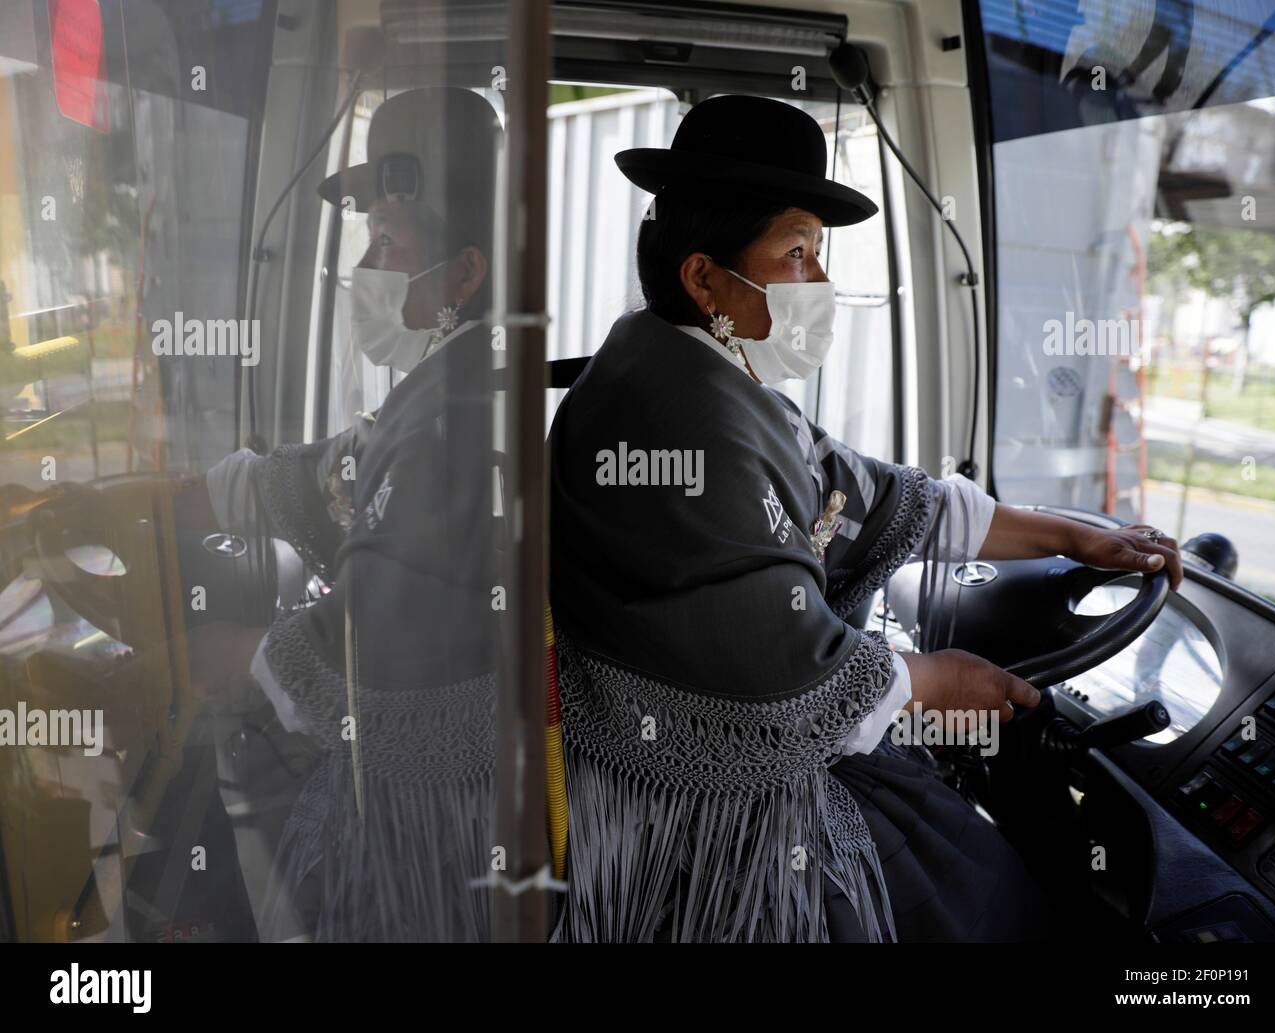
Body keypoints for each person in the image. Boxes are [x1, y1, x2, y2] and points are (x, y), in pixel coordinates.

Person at [546, 94, 1183, 942]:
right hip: (702, 804)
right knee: (969, 894)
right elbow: (782, 678)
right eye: (797, 253)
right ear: (704, 276)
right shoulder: (687, 420)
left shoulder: (693, 369)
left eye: (821, 253)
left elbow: (872, 495)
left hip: (702, 756)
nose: (820, 283)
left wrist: (1073, 535)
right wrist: (935, 681)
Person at [181, 87, 503, 941]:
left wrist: (216, 655)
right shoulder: (436, 391)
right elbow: (331, 474)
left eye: (389, 241)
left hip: (426, 838)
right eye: (368, 238)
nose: (366, 264)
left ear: (465, 273)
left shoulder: (454, 422)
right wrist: (169, 495)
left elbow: (368, 656)